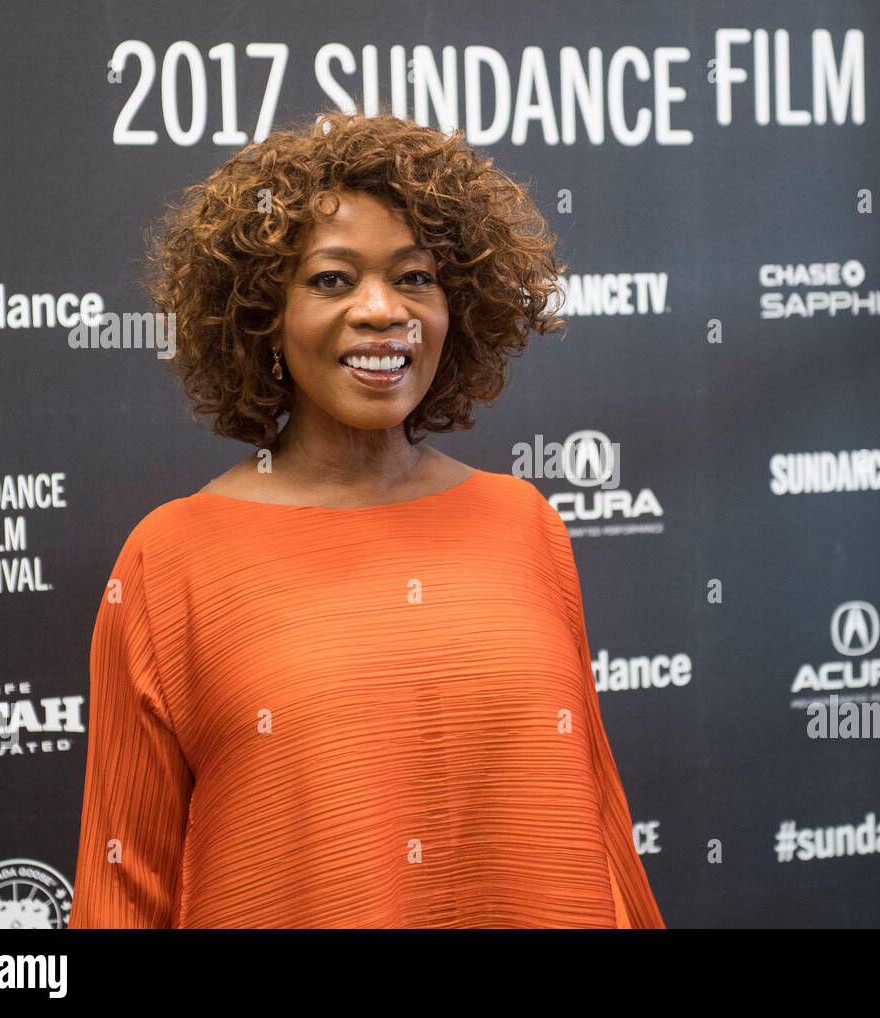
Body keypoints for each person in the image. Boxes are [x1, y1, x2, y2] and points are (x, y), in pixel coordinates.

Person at [67, 111, 665, 929]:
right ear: (262, 319)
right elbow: (122, 883)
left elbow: (600, 834)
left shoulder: (522, 522)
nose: (383, 310)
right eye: (332, 280)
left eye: (415, 277)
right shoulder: (171, 559)